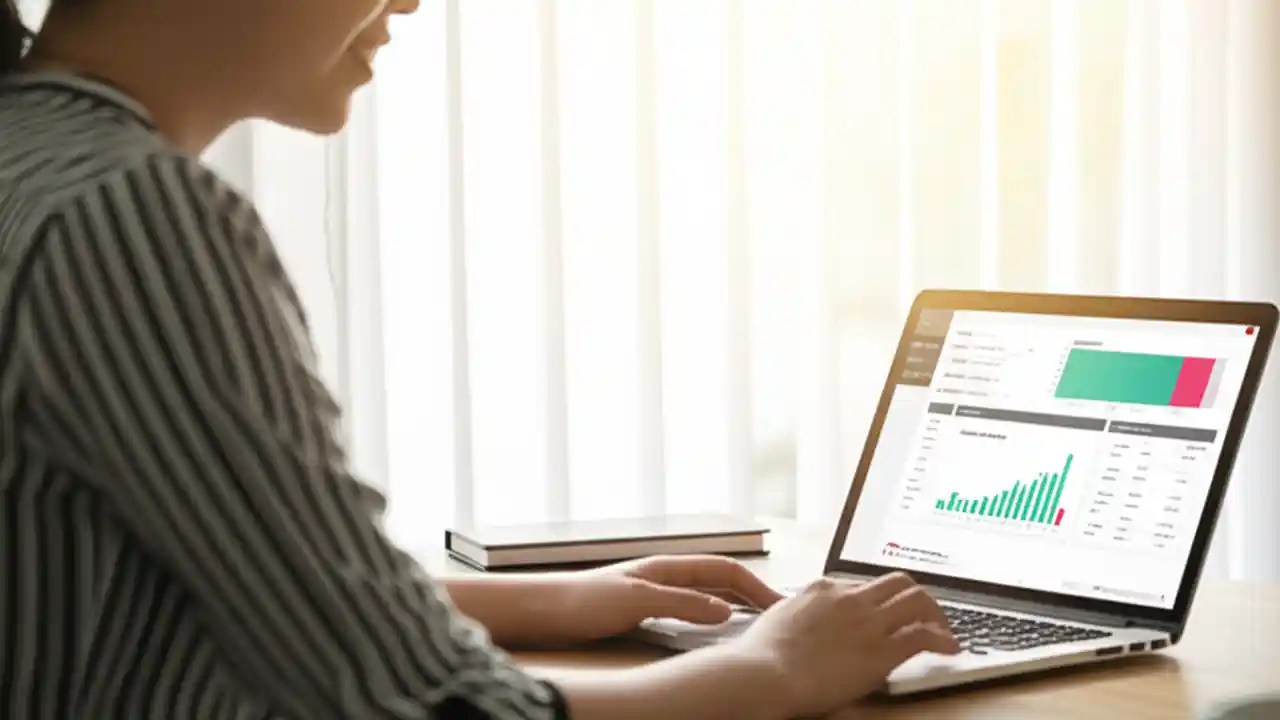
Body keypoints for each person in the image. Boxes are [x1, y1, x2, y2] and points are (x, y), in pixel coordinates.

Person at [0, 0, 959, 717]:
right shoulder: (127, 214)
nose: (411, 0)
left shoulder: (31, 158)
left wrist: (545, 601)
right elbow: (430, 707)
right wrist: (772, 669)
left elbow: (173, 569)